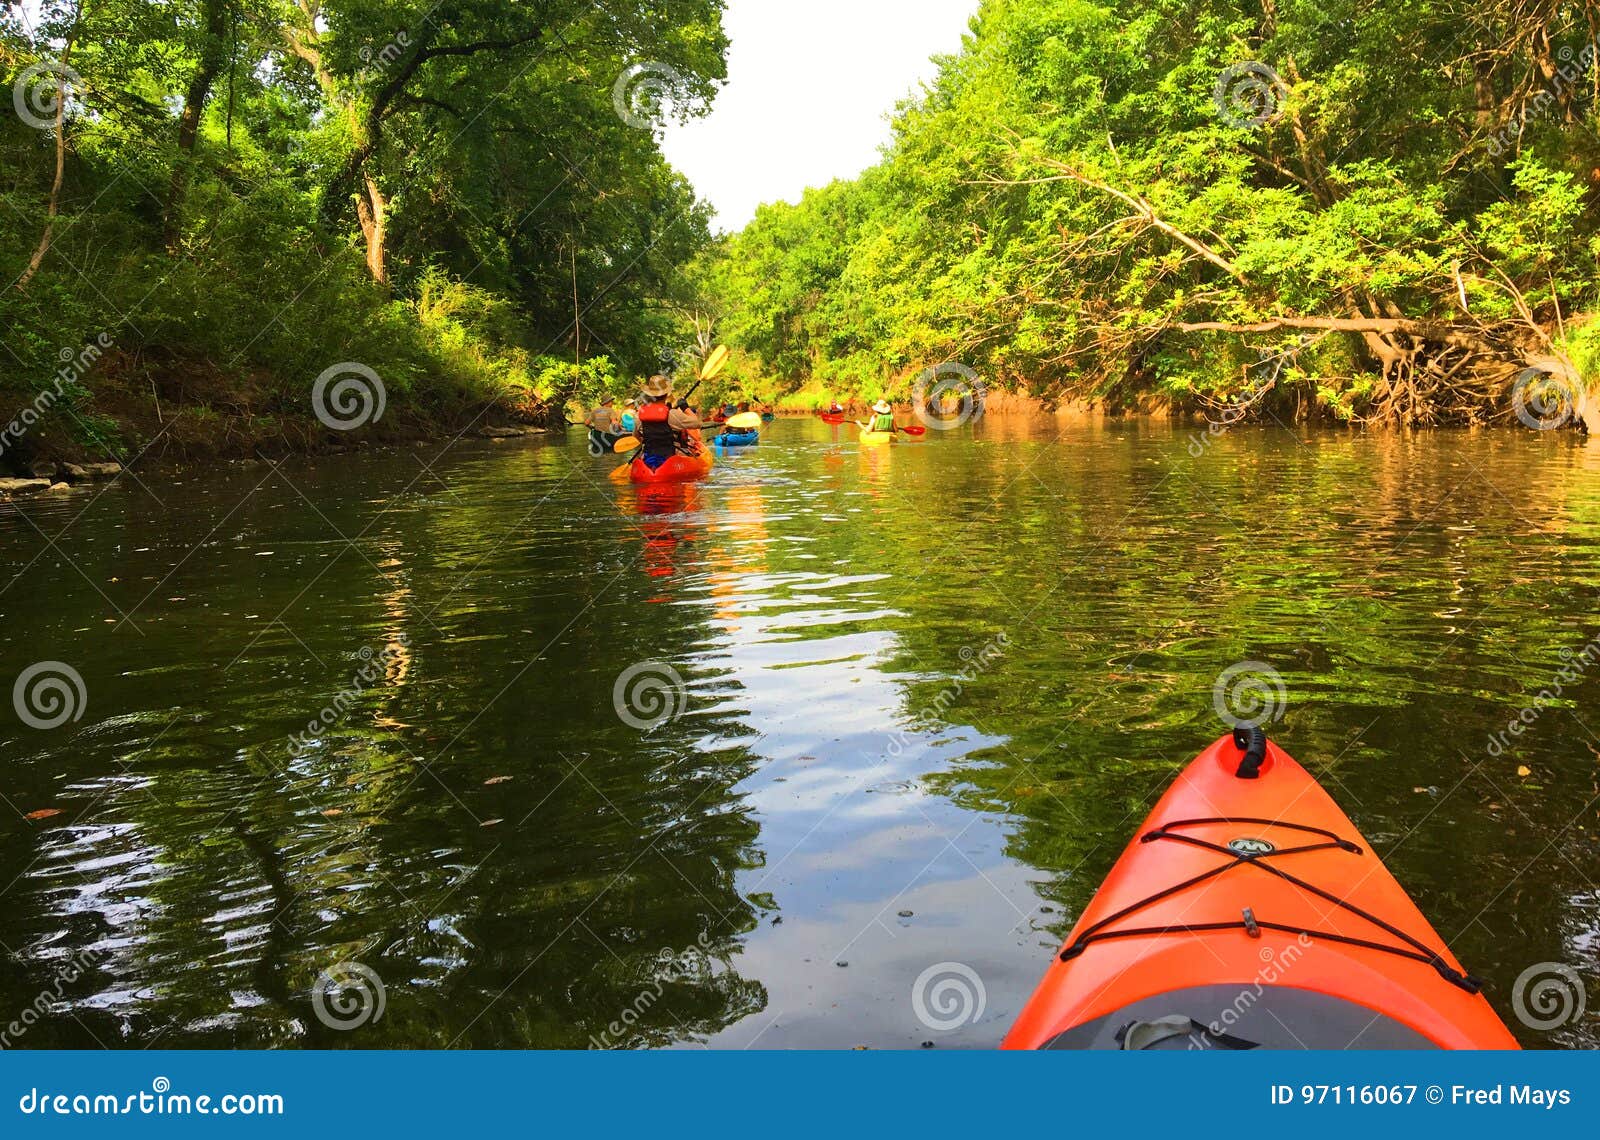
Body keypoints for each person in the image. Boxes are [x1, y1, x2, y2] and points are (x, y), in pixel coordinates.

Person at [635, 375, 705, 467]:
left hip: (648, 459)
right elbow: (698, 423)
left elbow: (636, 435)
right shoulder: (672, 414)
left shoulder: (639, 415)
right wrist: (685, 408)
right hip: (670, 460)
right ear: (666, 394)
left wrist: (648, 443)